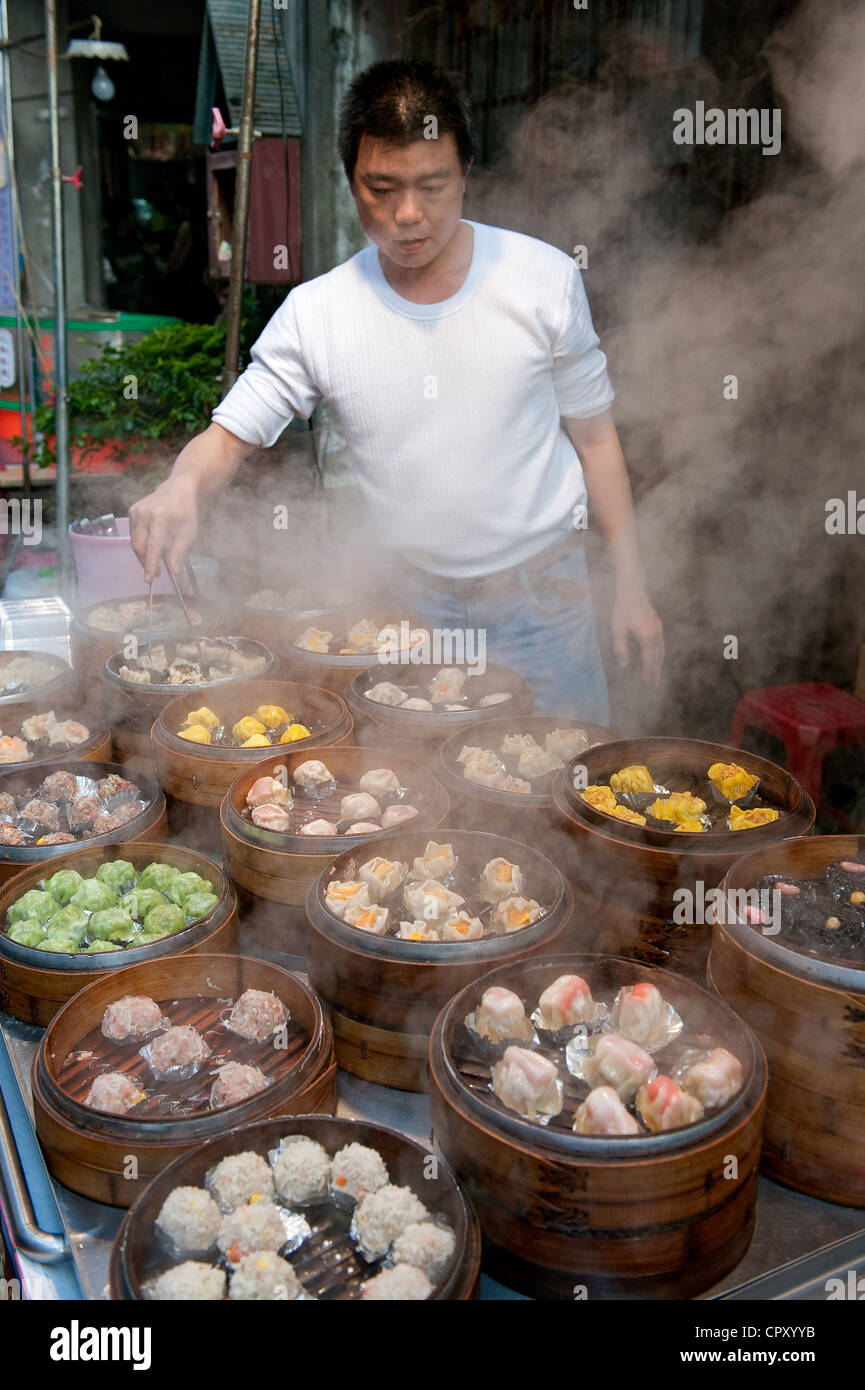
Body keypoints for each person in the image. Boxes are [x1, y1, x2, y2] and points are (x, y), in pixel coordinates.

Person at [129, 59, 663, 718]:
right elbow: (227, 438)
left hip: (544, 597)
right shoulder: (317, 312)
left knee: (566, 781)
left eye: (431, 185)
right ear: (350, 181)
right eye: (379, 187)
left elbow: (596, 438)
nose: (407, 215)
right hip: (412, 606)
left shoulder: (542, 281)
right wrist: (181, 485)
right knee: (431, 799)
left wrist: (631, 588)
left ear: (466, 173)